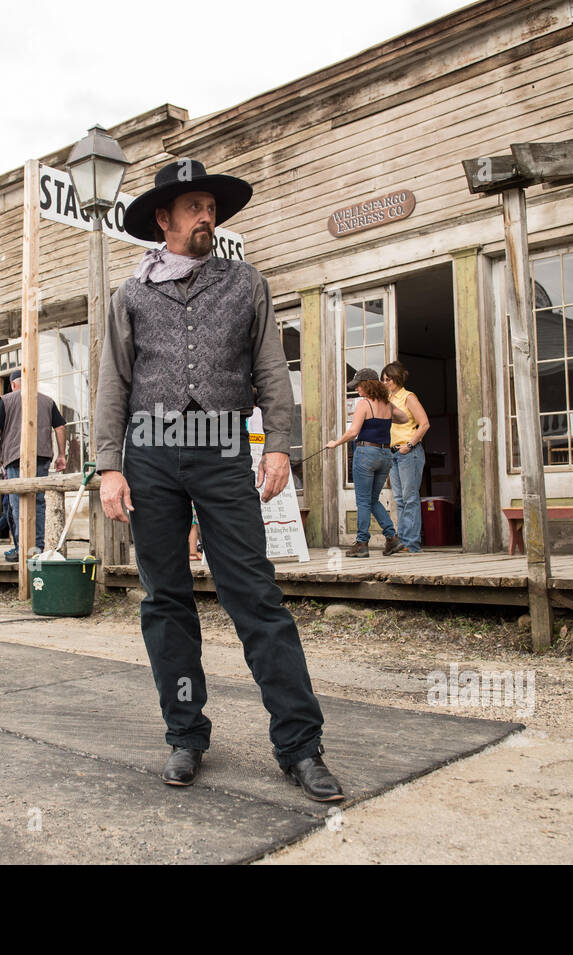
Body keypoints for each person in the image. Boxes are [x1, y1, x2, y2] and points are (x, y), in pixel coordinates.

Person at [94, 158, 343, 802]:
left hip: (222, 450)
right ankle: (185, 734)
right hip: (148, 454)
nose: (206, 216)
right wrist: (108, 466)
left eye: (211, 207)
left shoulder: (246, 284)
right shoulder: (130, 294)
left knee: (255, 597)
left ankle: (300, 745)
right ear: (164, 219)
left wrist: (279, 446)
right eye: (193, 207)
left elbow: (271, 370)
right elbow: (112, 384)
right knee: (165, 600)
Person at [325, 368, 413, 558]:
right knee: (372, 500)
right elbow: (405, 418)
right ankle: (392, 539)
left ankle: (361, 543)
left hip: (366, 453)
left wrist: (335, 443)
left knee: (364, 501)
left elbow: (353, 432)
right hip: (385, 455)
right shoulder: (387, 405)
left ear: (367, 385)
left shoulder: (364, 404)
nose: (356, 389)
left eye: (358, 386)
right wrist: (387, 418)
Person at [0, 369, 67, 561]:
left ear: (13, 384)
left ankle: (24, 548)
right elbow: (61, 427)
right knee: (38, 502)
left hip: (15, 456)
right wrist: (62, 454)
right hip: (42, 456)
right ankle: (36, 548)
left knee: (17, 503)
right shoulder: (47, 401)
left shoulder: (6, 400)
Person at [382, 361, 430, 554]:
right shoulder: (387, 399)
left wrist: (409, 445)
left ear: (397, 379)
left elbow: (424, 423)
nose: (385, 383)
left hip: (408, 453)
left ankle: (411, 543)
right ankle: (402, 542)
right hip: (392, 453)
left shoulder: (408, 397)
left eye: (388, 379)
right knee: (400, 499)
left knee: (410, 498)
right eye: (383, 380)